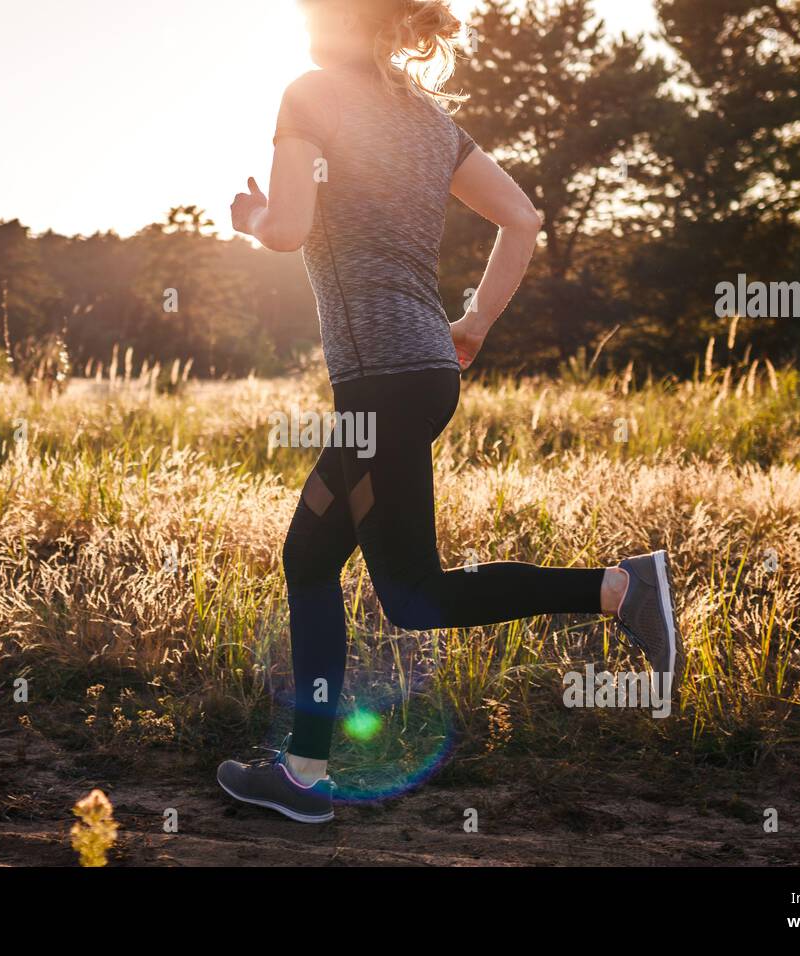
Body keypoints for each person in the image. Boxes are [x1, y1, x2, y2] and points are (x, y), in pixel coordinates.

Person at [217, 0, 681, 824]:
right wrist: (472, 323)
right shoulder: (430, 121)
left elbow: (287, 229)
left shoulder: (310, 94)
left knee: (412, 594)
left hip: (380, 383)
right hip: (423, 369)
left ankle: (619, 590)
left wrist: (249, 216)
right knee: (316, 561)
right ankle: (304, 773)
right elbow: (524, 218)